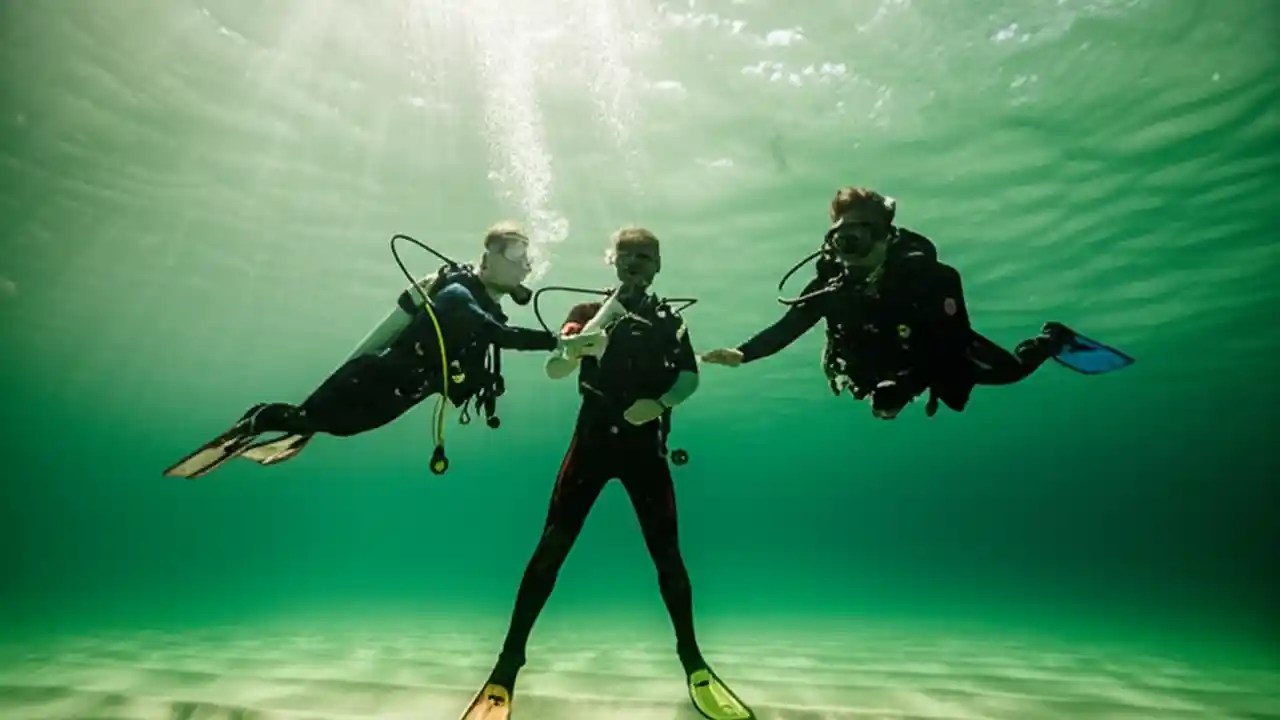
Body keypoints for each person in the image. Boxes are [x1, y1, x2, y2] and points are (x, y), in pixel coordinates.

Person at [460, 227, 755, 720]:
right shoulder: (584, 314)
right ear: (612, 262)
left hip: (645, 449)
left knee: (668, 558)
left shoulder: (671, 321)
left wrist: (658, 404)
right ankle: (507, 666)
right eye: (627, 256)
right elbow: (556, 369)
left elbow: (689, 378)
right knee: (550, 549)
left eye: (645, 256)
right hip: (592, 442)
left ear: (658, 264)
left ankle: (694, 662)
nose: (635, 263)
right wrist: (576, 347)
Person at [163, 223, 605, 479]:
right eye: (514, 252)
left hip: (399, 393)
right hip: (372, 378)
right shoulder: (457, 294)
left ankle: (290, 427)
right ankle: (257, 419)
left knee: (337, 428)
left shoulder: (486, 304)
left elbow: (481, 346)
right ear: (487, 260)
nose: (523, 263)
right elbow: (494, 333)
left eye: (526, 258)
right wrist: (559, 342)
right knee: (319, 420)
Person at [701, 187, 1133, 419]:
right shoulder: (831, 283)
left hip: (934, 349)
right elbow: (790, 325)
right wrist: (743, 354)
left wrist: (905, 386)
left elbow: (951, 345)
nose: (849, 244)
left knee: (1010, 374)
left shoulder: (930, 279)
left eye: (861, 233)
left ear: (887, 235)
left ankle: (1050, 340)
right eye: (841, 236)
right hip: (872, 363)